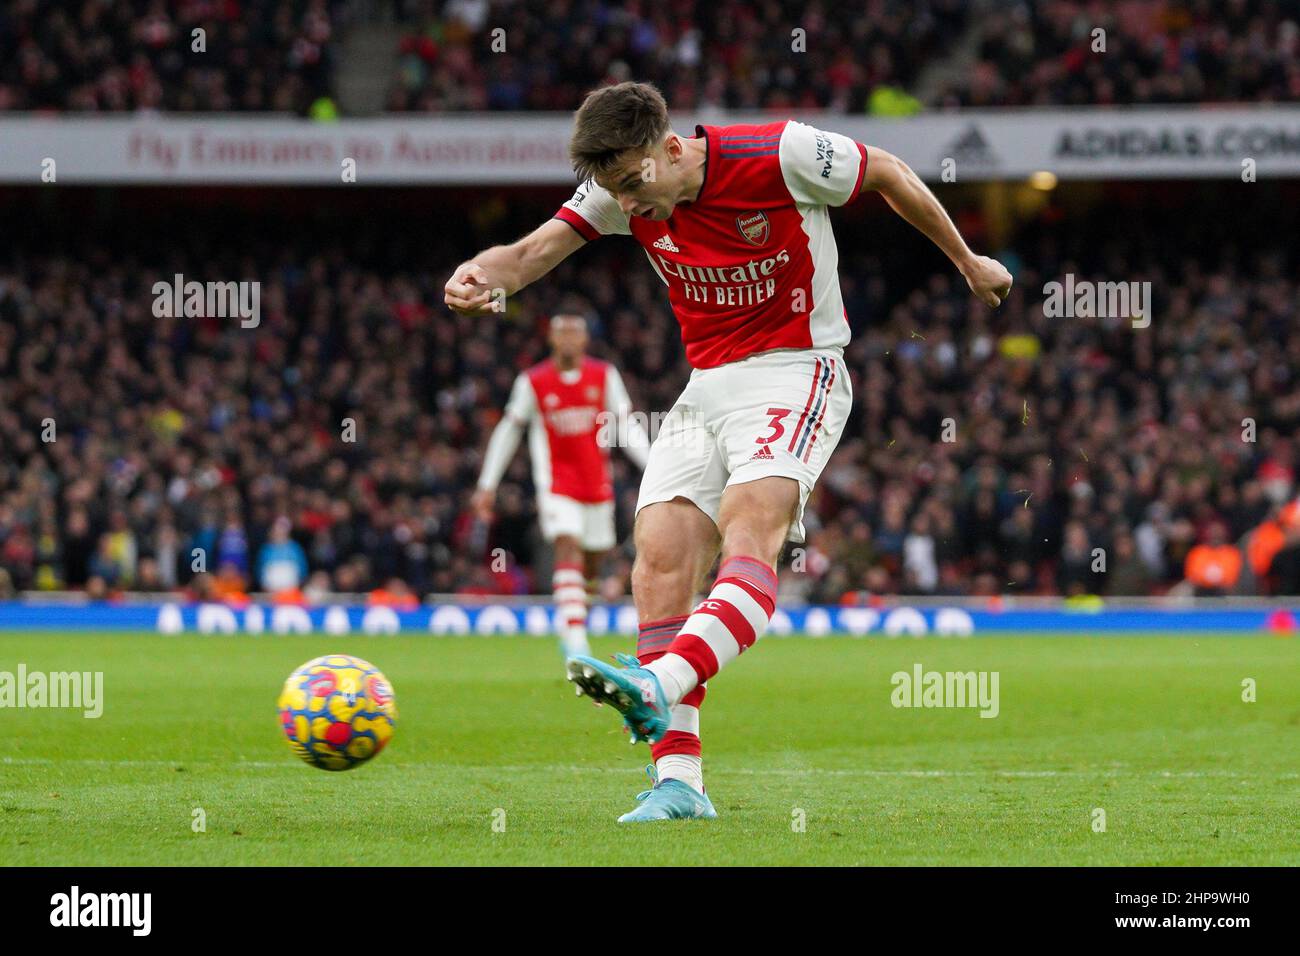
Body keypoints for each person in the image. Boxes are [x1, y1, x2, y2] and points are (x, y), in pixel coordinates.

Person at [444, 81, 1011, 822]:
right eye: (612, 190)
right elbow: (528, 253)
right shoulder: (620, 191)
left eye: (631, 184)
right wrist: (481, 275)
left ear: (669, 148)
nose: (628, 205)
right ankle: (680, 783)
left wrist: (968, 261)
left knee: (751, 526)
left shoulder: (783, 153)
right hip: (706, 384)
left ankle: (661, 683)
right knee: (659, 555)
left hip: (798, 366)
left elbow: (889, 174)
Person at [472, 313, 649, 658]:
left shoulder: (604, 375)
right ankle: (575, 643)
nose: (568, 340)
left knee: (593, 563)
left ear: (584, 340)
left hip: (598, 487)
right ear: (551, 339)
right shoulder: (533, 381)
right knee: (567, 544)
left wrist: (652, 465)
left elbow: (626, 425)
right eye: (562, 333)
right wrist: (487, 484)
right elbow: (510, 429)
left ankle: (575, 617)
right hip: (556, 486)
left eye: (574, 333)